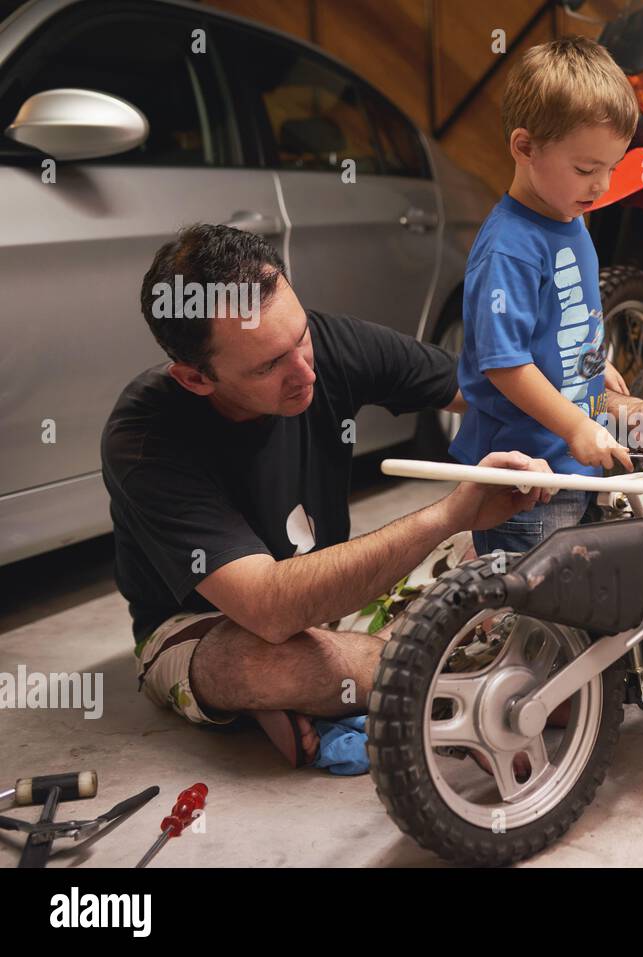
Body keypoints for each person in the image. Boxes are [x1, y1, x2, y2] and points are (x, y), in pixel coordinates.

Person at [101, 224, 553, 767]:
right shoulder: (146, 437)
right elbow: (267, 608)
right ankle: (456, 688)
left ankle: (345, 692)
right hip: (210, 624)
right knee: (258, 666)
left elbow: (494, 390)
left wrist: (619, 408)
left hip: (331, 601)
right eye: (269, 365)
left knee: (509, 549)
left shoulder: (321, 344)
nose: (303, 371)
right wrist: (447, 515)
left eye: (299, 337)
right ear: (196, 379)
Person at [451, 35, 643, 557]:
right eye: (585, 169)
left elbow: (566, 318)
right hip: (527, 484)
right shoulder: (510, 248)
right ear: (524, 148)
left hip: (575, 464)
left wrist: (592, 367)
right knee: (532, 619)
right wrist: (576, 426)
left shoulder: (567, 217)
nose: (601, 185)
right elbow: (503, 365)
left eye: (612, 168)